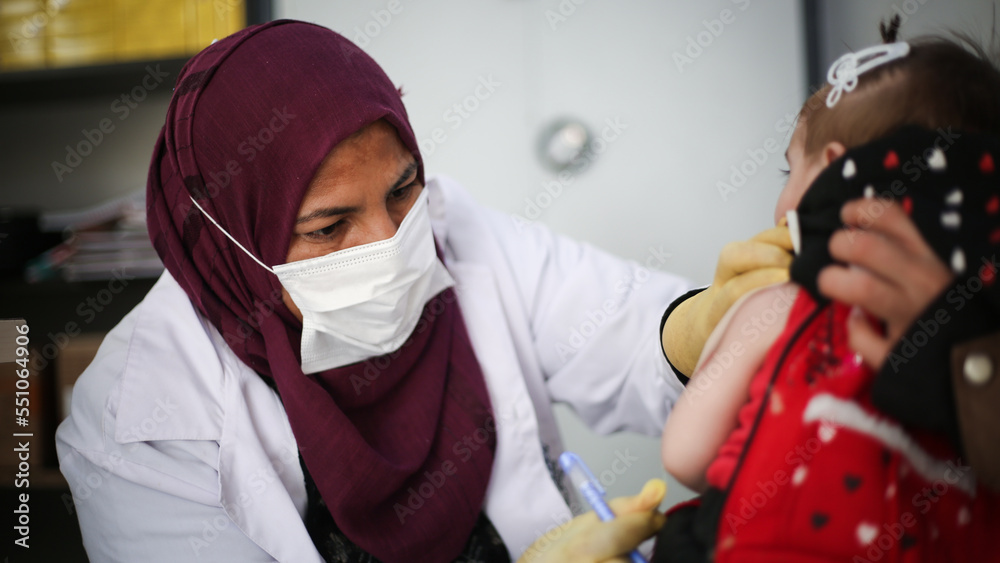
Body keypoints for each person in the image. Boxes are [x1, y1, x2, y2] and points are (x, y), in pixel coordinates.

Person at [54, 19, 787, 563]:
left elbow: (619, 330)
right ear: (232, 242)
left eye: (402, 188)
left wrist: (704, 324)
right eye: (330, 226)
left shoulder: (456, 226)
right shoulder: (137, 417)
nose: (391, 242)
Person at [655, 22, 1000, 562]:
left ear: (834, 169)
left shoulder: (776, 304)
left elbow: (685, 454)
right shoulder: (980, 337)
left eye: (789, 169)